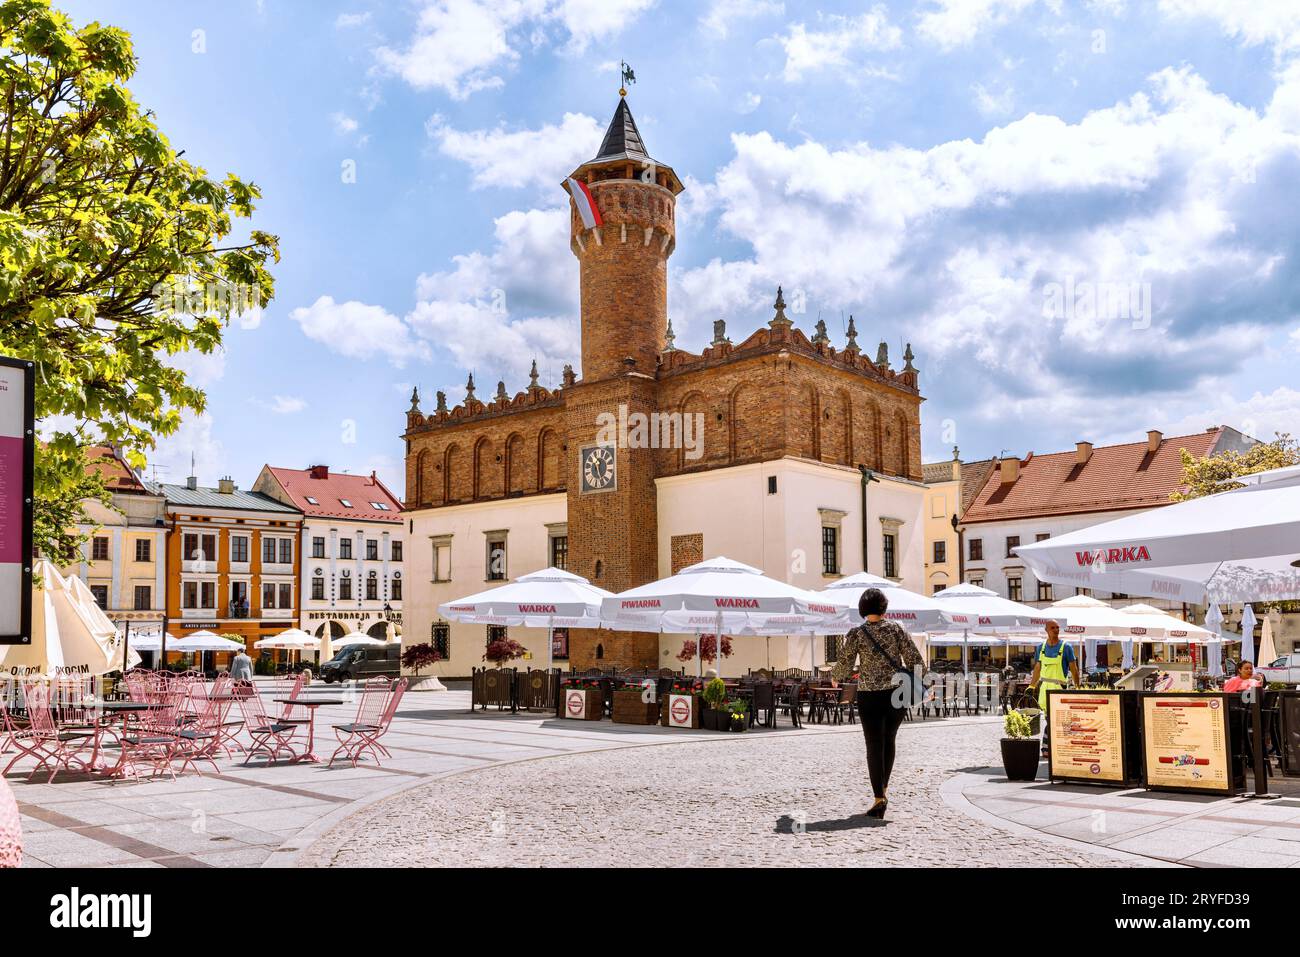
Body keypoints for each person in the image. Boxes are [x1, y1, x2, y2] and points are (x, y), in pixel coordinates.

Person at [830, 587, 923, 819]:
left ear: (863, 608)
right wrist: (919, 683)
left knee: (873, 744)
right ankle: (884, 789)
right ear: (884, 607)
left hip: (869, 695)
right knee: (888, 740)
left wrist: (835, 677)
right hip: (896, 693)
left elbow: (845, 663)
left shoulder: (857, 634)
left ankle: (879, 797)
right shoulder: (897, 629)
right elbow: (914, 659)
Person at [1029, 620, 1079, 759]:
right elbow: (1037, 668)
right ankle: (1051, 747)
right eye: (1053, 628)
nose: (1056, 630)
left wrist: (1078, 687)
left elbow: (1074, 669)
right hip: (1045, 688)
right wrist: (1031, 686)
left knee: (1060, 719)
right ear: (1046, 630)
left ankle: (1049, 746)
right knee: (1049, 718)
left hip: (1060, 687)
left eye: (1057, 627)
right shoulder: (1041, 648)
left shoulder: (1066, 647)